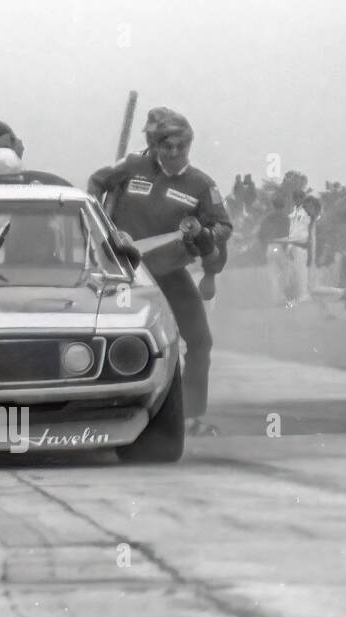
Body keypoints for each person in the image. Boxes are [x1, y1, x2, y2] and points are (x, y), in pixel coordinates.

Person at [87, 110, 231, 436]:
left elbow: (223, 226)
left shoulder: (201, 185)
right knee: (120, 339)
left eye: (182, 146)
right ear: (155, 146)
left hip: (168, 271)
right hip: (125, 273)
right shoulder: (132, 166)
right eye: (167, 147)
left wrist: (201, 232)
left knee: (200, 340)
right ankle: (108, 409)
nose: (175, 153)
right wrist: (100, 224)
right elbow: (96, 182)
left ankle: (191, 414)